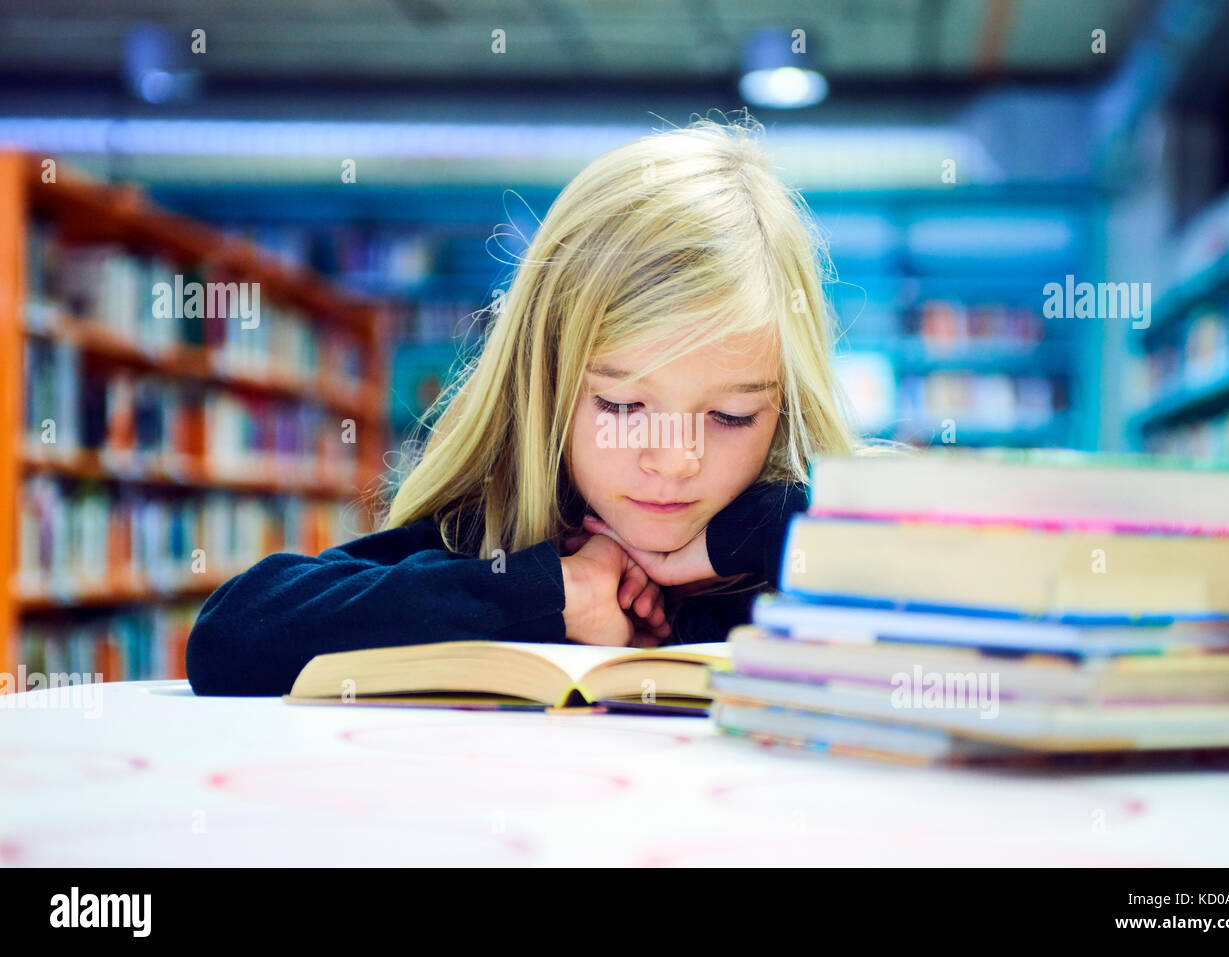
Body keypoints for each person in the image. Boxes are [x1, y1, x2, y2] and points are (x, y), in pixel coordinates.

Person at [186, 111, 870, 696]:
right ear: (545, 383)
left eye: (730, 417)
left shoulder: (809, 542)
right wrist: (546, 593)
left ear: (785, 407)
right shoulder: (494, 539)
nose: (675, 461)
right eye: (624, 405)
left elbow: (966, 596)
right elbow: (233, 636)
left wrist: (773, 529)